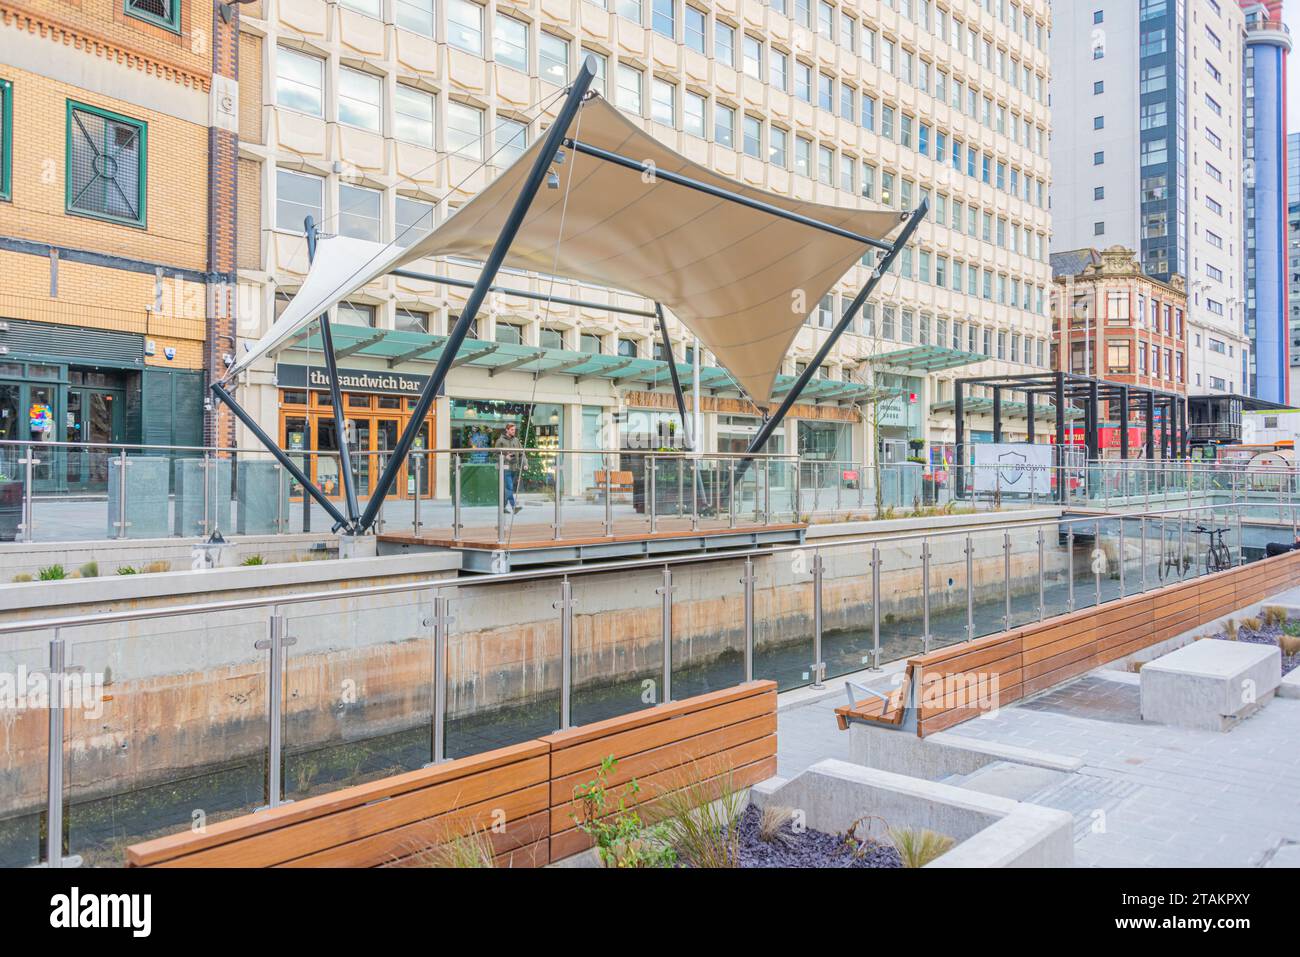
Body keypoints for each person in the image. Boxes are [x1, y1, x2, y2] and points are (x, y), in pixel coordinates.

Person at [495, 422, 524, 513]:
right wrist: (504, 457)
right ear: (507, 430)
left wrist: (525, 464)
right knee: (509, 487)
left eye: (514, 430)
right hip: (505, 468)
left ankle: (502, 507)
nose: (513, 431)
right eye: (512, 430)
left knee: (507, 488)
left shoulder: (516, 440)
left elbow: (522, 453)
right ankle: (514, 506)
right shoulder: (500, 441)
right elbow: (495, 454)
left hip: (514, 468)